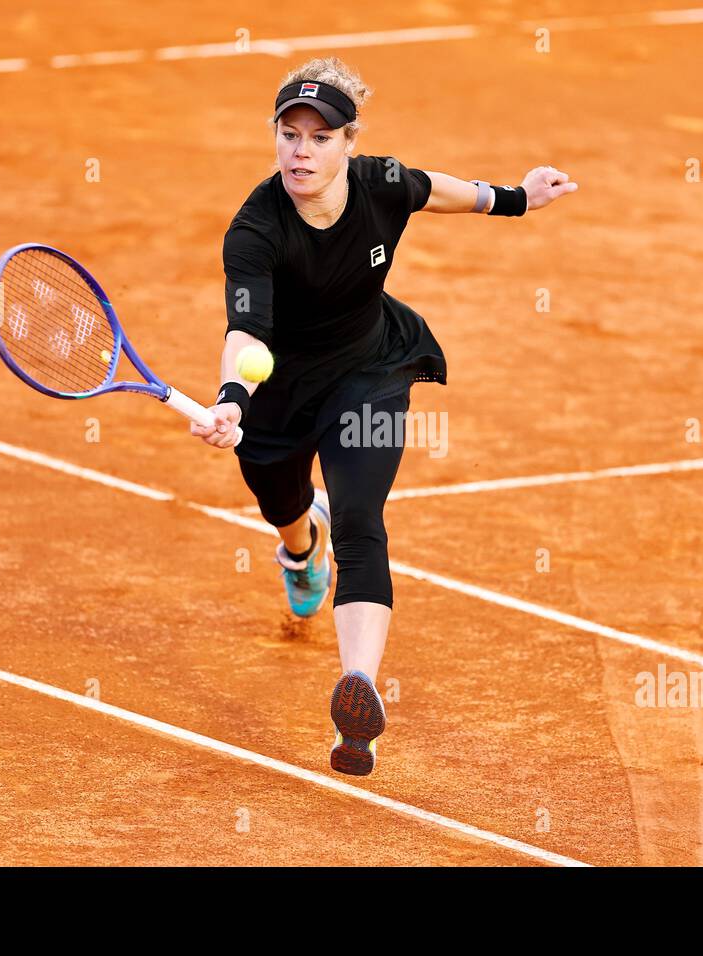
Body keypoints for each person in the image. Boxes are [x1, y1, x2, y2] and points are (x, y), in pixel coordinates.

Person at [190, 57, 577, 775]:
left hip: (370, 371)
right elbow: (245, 333)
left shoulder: (383, 182)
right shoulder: (255, 230)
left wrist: (518, 197)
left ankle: (357, 691)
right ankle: (301, 552)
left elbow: (447, 192)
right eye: (289, 133)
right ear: (275, 137)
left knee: (363, 519)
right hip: (277, 396)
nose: (302, 150)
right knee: (282, 499)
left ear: (349, 142)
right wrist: (231, 400)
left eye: (320, 136)